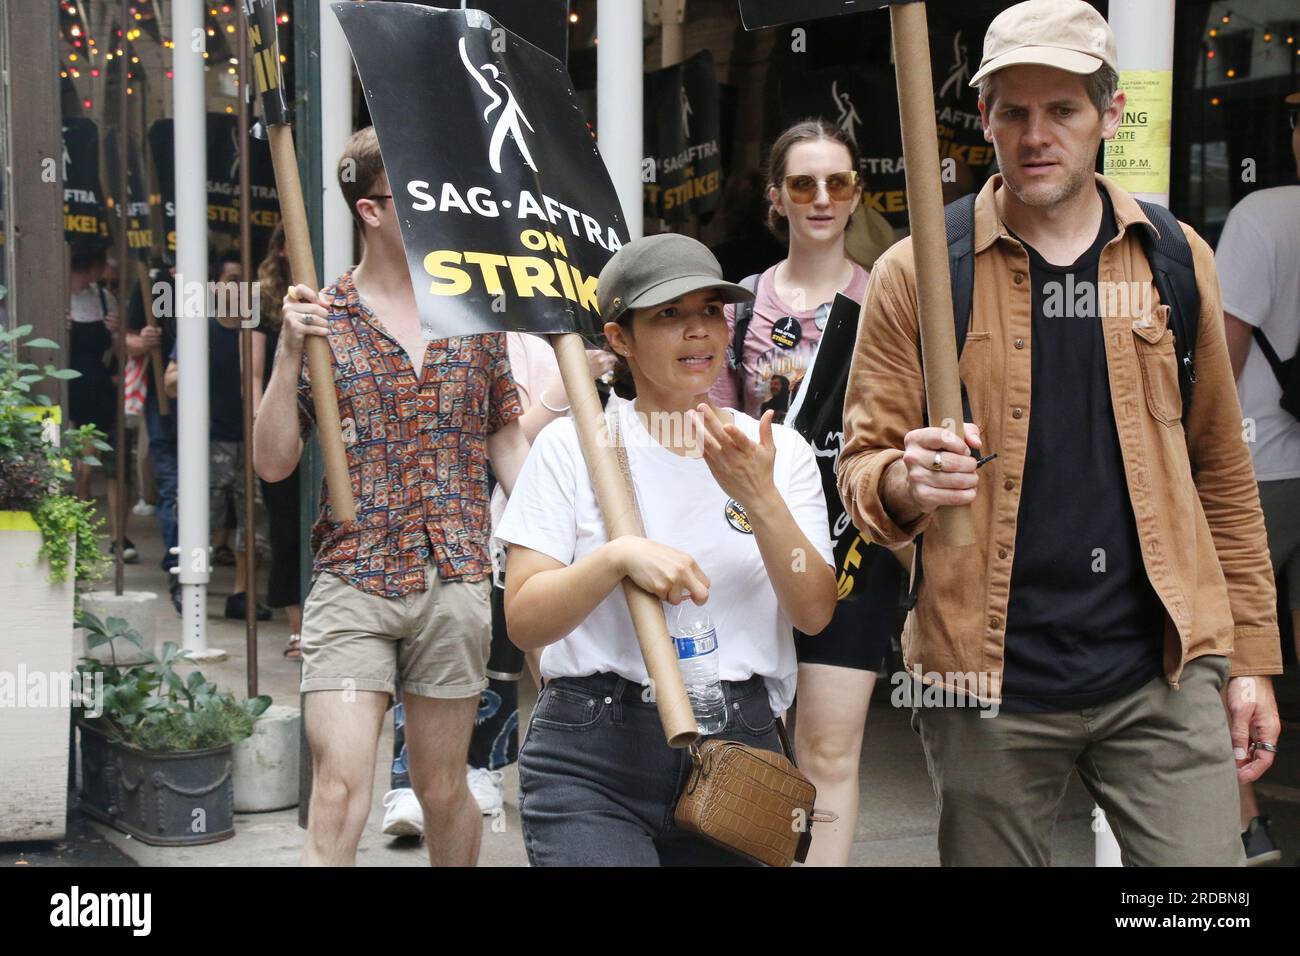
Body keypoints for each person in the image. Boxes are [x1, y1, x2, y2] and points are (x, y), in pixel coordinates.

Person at [838, 0, 1283, 867]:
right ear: (988, 120)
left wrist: (1252, 659)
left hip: (1163, 670)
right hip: (983, 676)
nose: (1036, 134)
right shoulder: (921, 270)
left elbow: (1222, 468)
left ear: (1109, 115)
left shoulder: (1173, 256)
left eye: (1063, 110)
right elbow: (861, 472)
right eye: (1013, 111)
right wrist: (905, 482)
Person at [496, 233, 838, 866]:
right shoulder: (575, 447)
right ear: (619, 338)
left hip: (740, 747)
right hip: (592, 752)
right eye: (669, 315)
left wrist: (759, 498)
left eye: (711, 310)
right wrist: (614, 559)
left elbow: (814, 613)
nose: (698, 332)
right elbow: (524, 619)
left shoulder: (776, 451)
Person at [254, 126, 530, 867]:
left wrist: (552, 549)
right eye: (417, 192)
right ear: (370, 210)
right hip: (354, 577)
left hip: (455, 575)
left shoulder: (472, 309)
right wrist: (286, 358)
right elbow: (274, 463)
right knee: (341, 787)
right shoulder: (323, 321)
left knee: (443, 788)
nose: (440, 204)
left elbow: (504, 438)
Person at [708, 119, 898, 866]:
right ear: (776, 198)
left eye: (838, 182)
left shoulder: (890, 298)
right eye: (802, 183)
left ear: (856, 196)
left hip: (855, 547)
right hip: (748, 545)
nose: (821, 197)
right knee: (749, 747)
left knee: (827, 747)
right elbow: (710, 431)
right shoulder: (740, 303)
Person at [380, 333, 616, 834]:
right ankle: (407, 780)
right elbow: (504, 436)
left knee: (517, 655)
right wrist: (568, 383)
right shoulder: (462, 332)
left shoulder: (553, 338)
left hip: (539, 513)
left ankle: (486, 769)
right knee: (439, 654)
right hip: (469, 513)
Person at [1218, 90, 1300, 866]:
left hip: (1265, 462)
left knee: (1226, 639)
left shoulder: (1263, 215)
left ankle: (1247, 823)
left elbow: (1227, 351)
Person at [251, 226, 302, 655]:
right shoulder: (264, 302)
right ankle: (297, 627)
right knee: (285, 528)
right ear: (281, 249)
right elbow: (253, 374)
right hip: (280, 414)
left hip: (321, 426)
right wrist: (262, 421)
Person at [67, 242, 135, 561]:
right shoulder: (58, 298)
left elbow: (120, 353)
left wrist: (118, 332)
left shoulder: (104, 299)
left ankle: (118, 537)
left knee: (113, 465)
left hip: (102, 389)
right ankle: (77, 532)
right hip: (70, 392)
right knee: (81, 465)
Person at [126, 259, 179, 612]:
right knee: (171, 485)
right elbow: (125, 340)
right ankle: (177, 567)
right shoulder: (150, 283)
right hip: (163, 404)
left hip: (215, 410)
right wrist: (142, 340)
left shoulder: (220, 286)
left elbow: (240, 325)